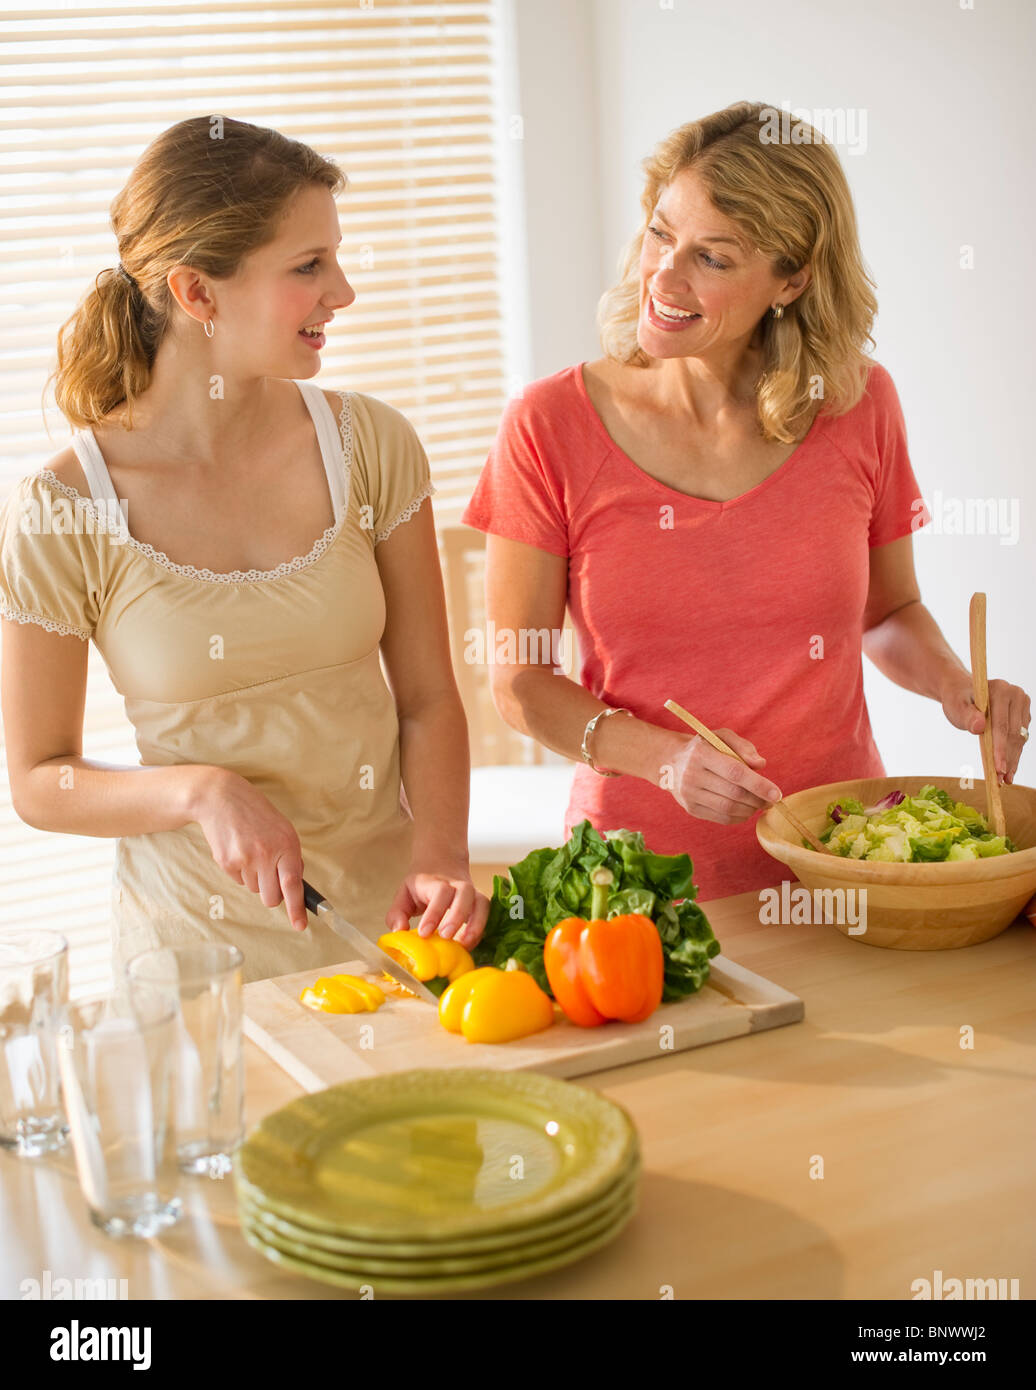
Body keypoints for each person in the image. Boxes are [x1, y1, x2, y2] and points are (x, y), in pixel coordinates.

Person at [462, 101, 1031, 901]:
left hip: (838, 859)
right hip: (638, 888)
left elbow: (889, 610)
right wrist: (663, 758)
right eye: (661, 233)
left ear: (791, 279)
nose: (662, 276)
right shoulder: (549, 425)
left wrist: (954, 685)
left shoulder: (859, 405)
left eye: (712, 259)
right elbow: (519, 683)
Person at [0, 116, 487, 983]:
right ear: (197, 294)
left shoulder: (370, 445)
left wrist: (443, 856)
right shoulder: (68, 506)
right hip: (194, 964)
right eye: (308, 267)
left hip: (390, 937)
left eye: (335, 258)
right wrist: (199, 790)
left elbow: (426, 698)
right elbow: (42, 780)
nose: (342, 291)